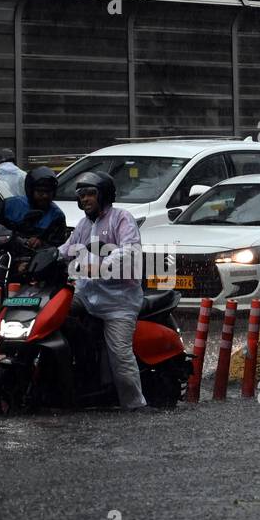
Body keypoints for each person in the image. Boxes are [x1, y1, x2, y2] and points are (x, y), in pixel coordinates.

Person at [60, 170, 148, 412]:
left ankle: (135, 405)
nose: (85, 199)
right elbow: (67, 249)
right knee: (51, 312)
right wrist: (44, 258)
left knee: (120, 355)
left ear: (104, 195)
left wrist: (99, 264)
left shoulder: (122, 219)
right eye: (82, 195)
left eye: (90, 194)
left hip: (118, 302)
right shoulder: (83, 224)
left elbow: (129, 251)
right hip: (86, 295)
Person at [0, 167, 67, 250]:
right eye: (40, 192)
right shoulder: (10, 205)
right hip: (5, 255)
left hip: (37, 259)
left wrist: (41, 243)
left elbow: (59, 247)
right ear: (30, 190)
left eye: (48, 192)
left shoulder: (56, 216)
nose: (45, 196)